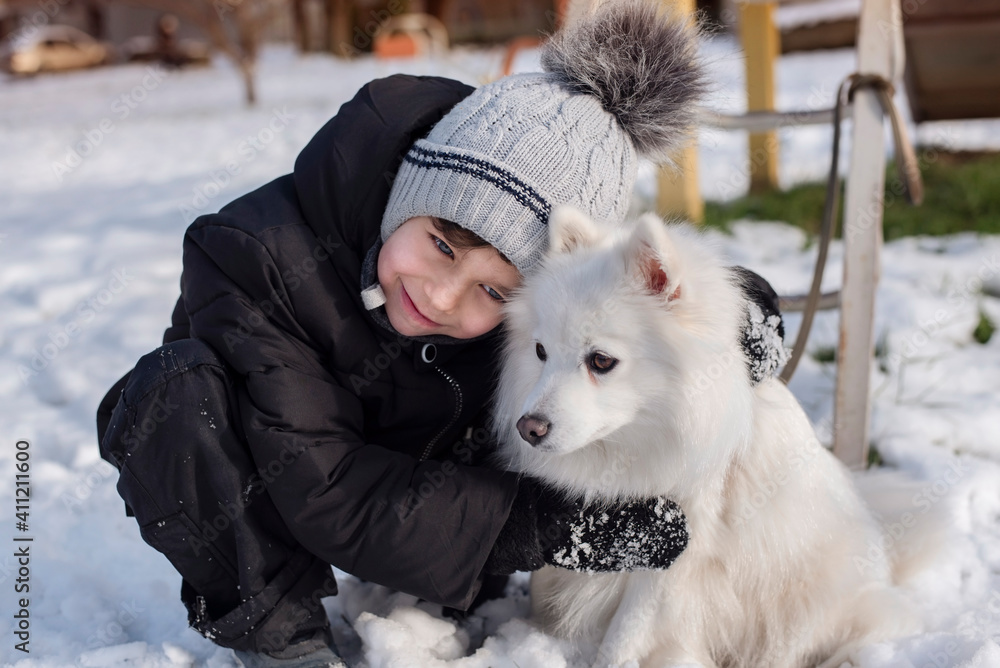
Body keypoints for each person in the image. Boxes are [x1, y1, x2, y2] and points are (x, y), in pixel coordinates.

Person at [96, 2, 785, 666]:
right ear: (409, 196)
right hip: (268, 478)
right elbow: (329, 490)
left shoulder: (536, 306)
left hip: (422, 467)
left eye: (495, 289)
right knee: (174, 399)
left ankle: (454, 582)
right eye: (442, 246)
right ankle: (278, 632)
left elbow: (628, 299)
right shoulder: (256, 259)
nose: (442, 295)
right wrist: (532, 523)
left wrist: (733, 319)